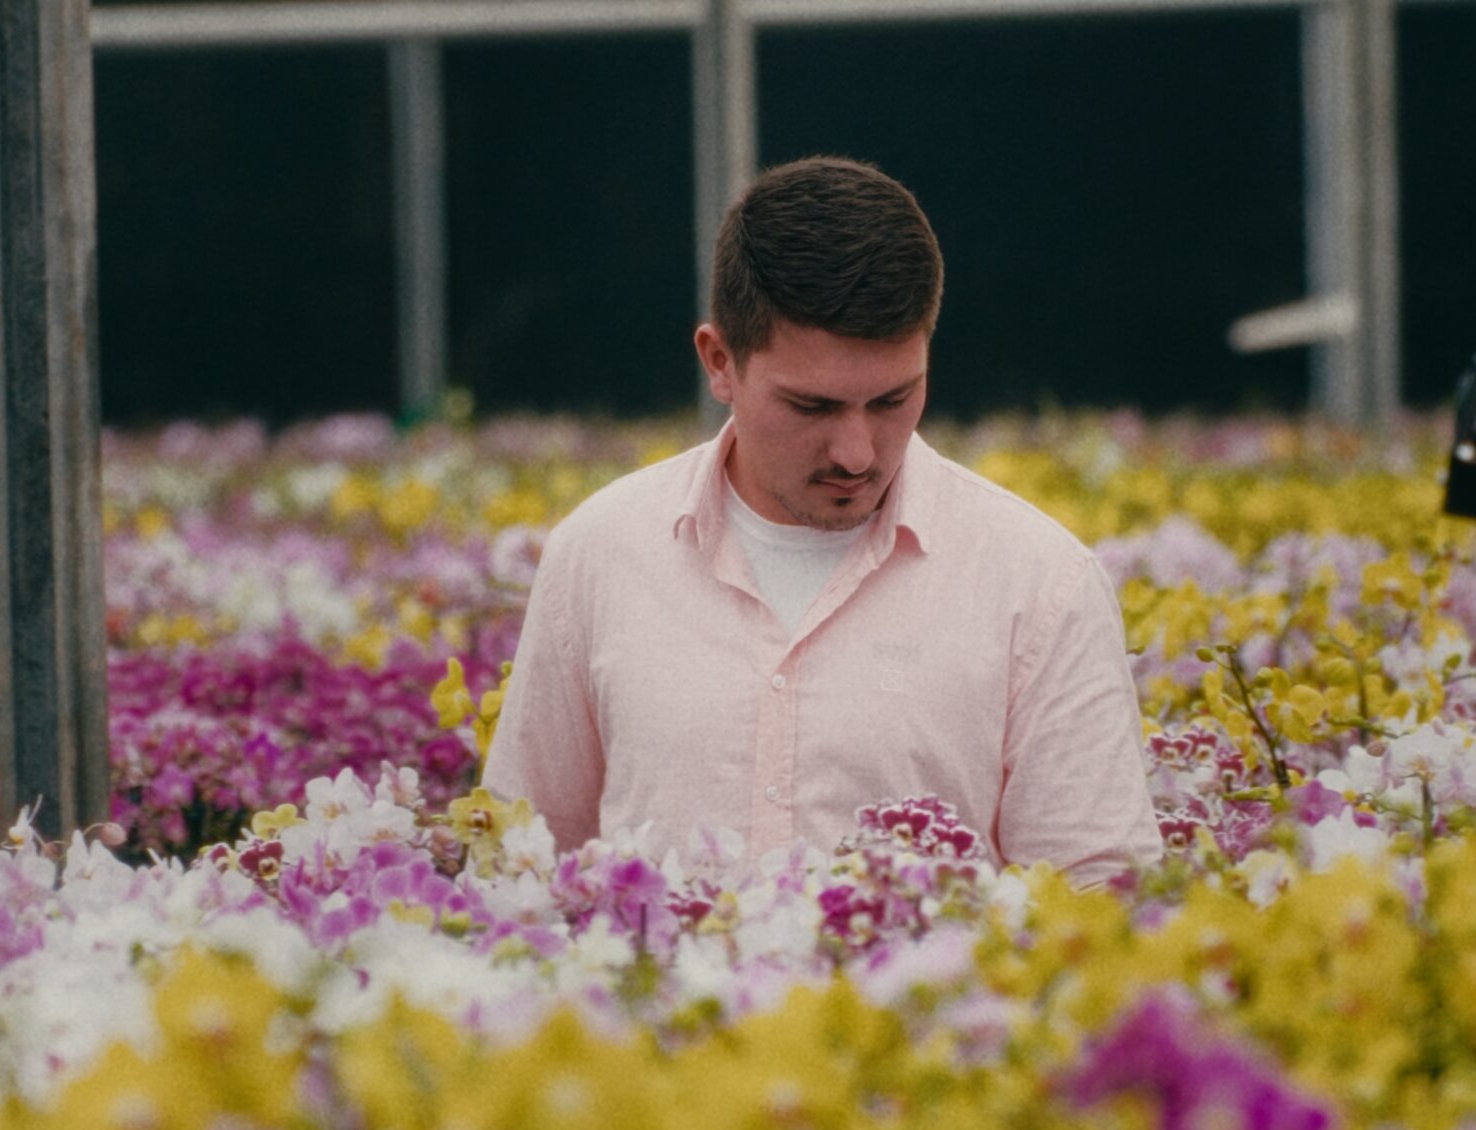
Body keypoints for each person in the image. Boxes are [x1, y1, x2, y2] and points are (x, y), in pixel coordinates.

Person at [483, 156, 1160, 884]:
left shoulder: (1040, 583)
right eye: (813, 407)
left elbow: (1100, 898)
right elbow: (523, 862)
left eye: (893, 400)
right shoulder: (600, 554)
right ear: (719, 362)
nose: (856, 452)